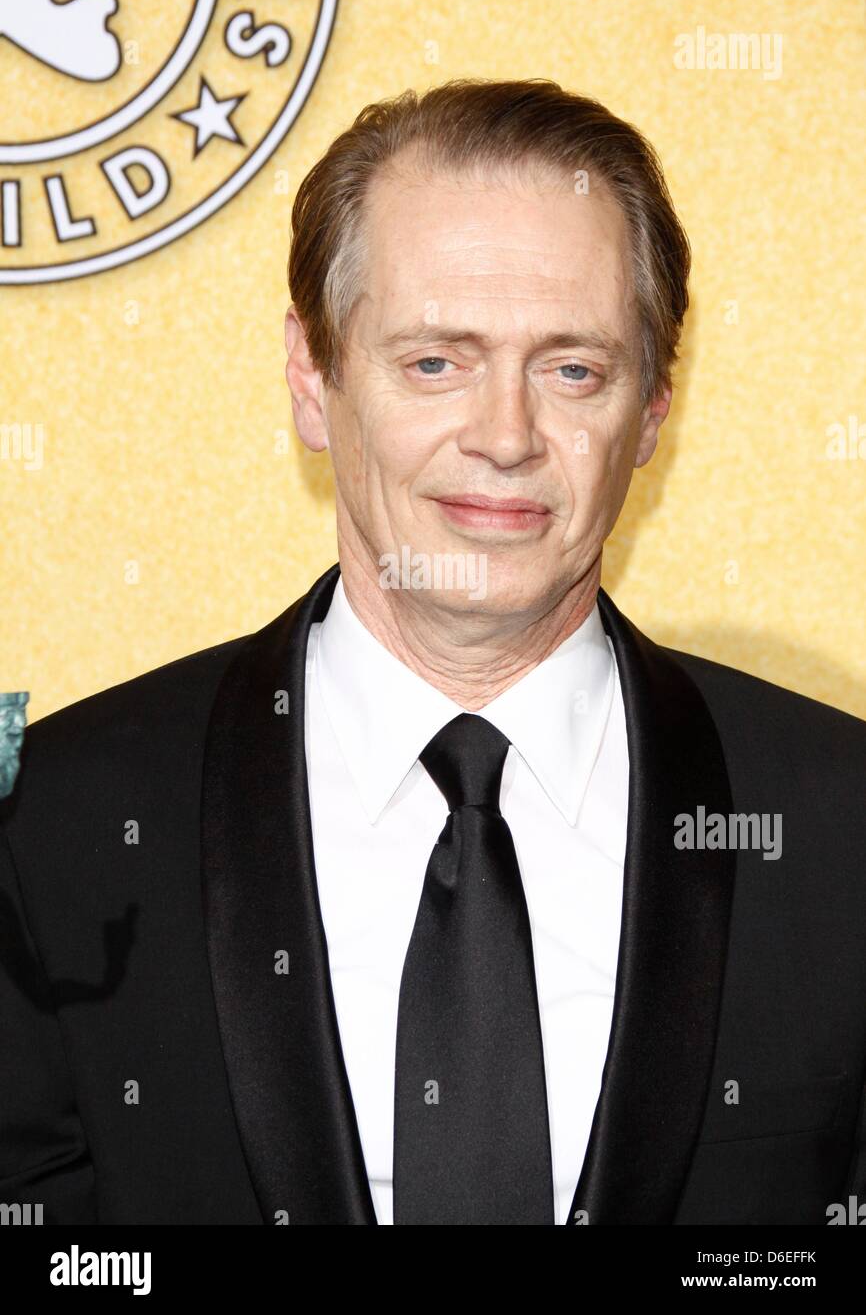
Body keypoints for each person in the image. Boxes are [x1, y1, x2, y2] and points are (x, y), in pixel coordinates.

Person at [2, 78, 865, 1226]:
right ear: (312, 380)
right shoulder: (54, 819)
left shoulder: (838, 820)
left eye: (571, 369)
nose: (504, 437)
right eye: (433, 363)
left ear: (652, 408)